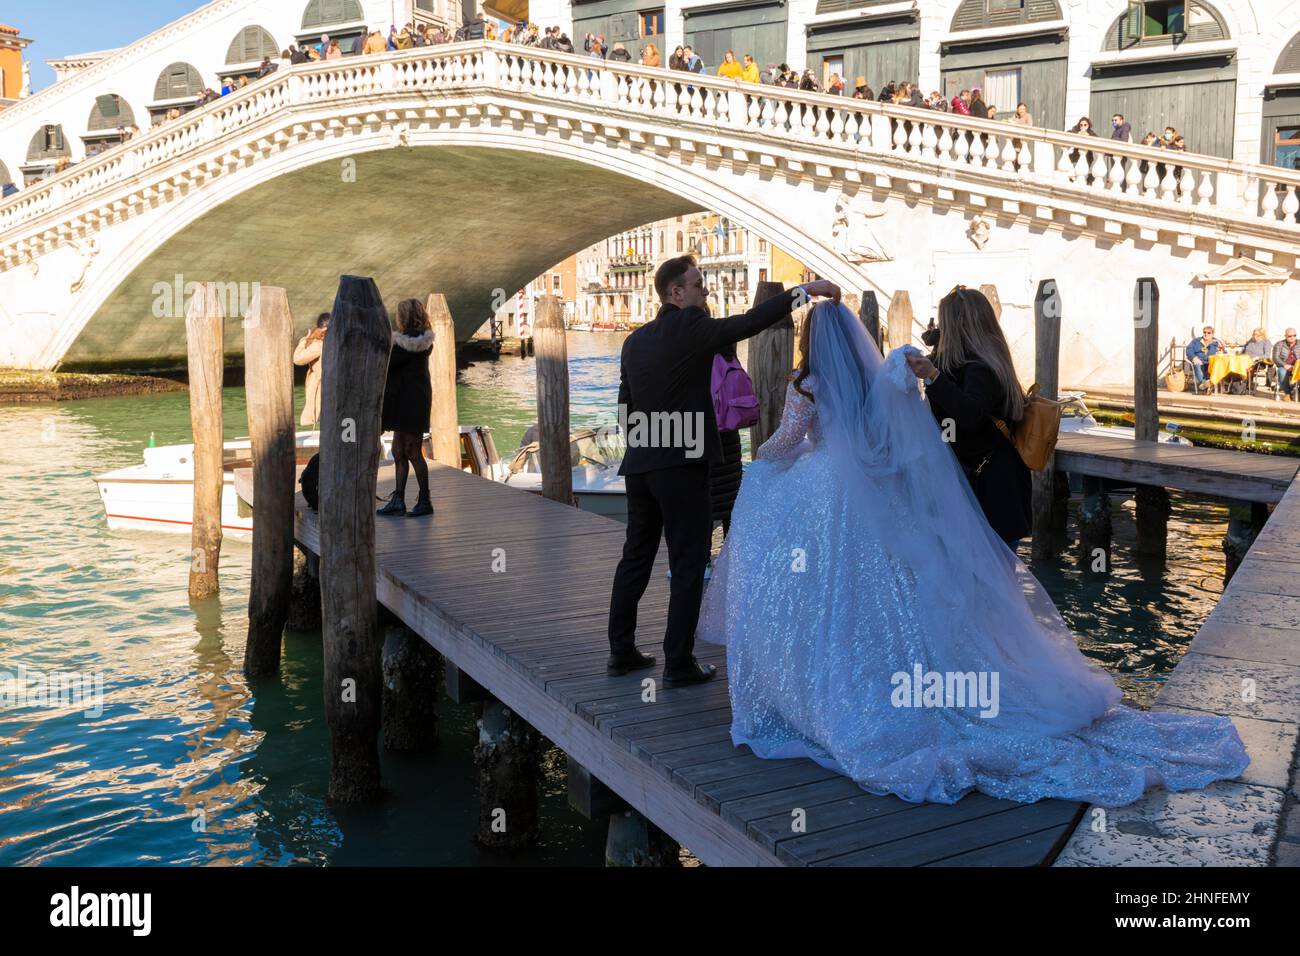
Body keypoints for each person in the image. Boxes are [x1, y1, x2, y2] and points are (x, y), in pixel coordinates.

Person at [695, 298, 1249, 807]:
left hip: (829, 495)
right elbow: (889, 441)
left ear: (811, 342)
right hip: (872, 498)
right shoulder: (876, 381)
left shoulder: (806, 385)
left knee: (835, 596)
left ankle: (835, 688)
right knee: (893, 594)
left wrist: (761, 463)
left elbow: (786, 443)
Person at [605, 255, 840, 686]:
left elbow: (626, 406)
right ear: (676, 293)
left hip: (641, 465)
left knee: (635, 556)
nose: (705, 291)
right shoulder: (692, 328)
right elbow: (750, 323)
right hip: (682, 465)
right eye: (698, 285)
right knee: (689, 560)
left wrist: (647, 443)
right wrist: (807, 291)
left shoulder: (634, 342)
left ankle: (621, 651)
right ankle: (678, 662)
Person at [907, 287, 1030, 547]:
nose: (941, 327)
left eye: (944, 322)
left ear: (959, 324)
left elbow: (971, 414)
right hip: (981, 482)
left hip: (993, 486)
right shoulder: (976, 361)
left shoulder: (982, 368)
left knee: (995, 579)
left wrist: (934, 376)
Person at [378, 299, 435, 517]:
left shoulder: (405, 344)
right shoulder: (420, 340)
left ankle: (424, 500)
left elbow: (387, 363)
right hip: (410, 400)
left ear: (404, 316)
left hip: (410, 402)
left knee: (411, 451)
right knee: (399, 451)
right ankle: (399, 499)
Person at [293, 313, 328, 426]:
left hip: (320, 391)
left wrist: (305, 340)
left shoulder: (319, 346)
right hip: (328, 390)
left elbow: (297, 359)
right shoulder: (329, 344)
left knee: (315, 418)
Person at [1185, 325, 1223, 392]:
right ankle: (1206, 384)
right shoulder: (1196, 341)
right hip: (1199, 361)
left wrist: (1220, 353)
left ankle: (1205, 385)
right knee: (1196, 363)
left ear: (1212, 334)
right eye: (1204, 332)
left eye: (1209, 333)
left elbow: (1223, 351)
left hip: (1210, 363)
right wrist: (1194, 358)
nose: (1206, 334)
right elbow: (1189, 350)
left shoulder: (1217, 343)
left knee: (1216, 365)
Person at [1273, 328, 1299, 399]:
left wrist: (1296, 366)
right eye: (1290, 336)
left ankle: (1296, 391)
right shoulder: (1279, 344)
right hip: (1284, 366)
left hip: (1297, 367)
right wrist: (1285, 365)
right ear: (1285, 336)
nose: (1292, 337)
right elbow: (1275, 358)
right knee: (1281, 372)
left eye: (1294, 335)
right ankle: (1287, 393)